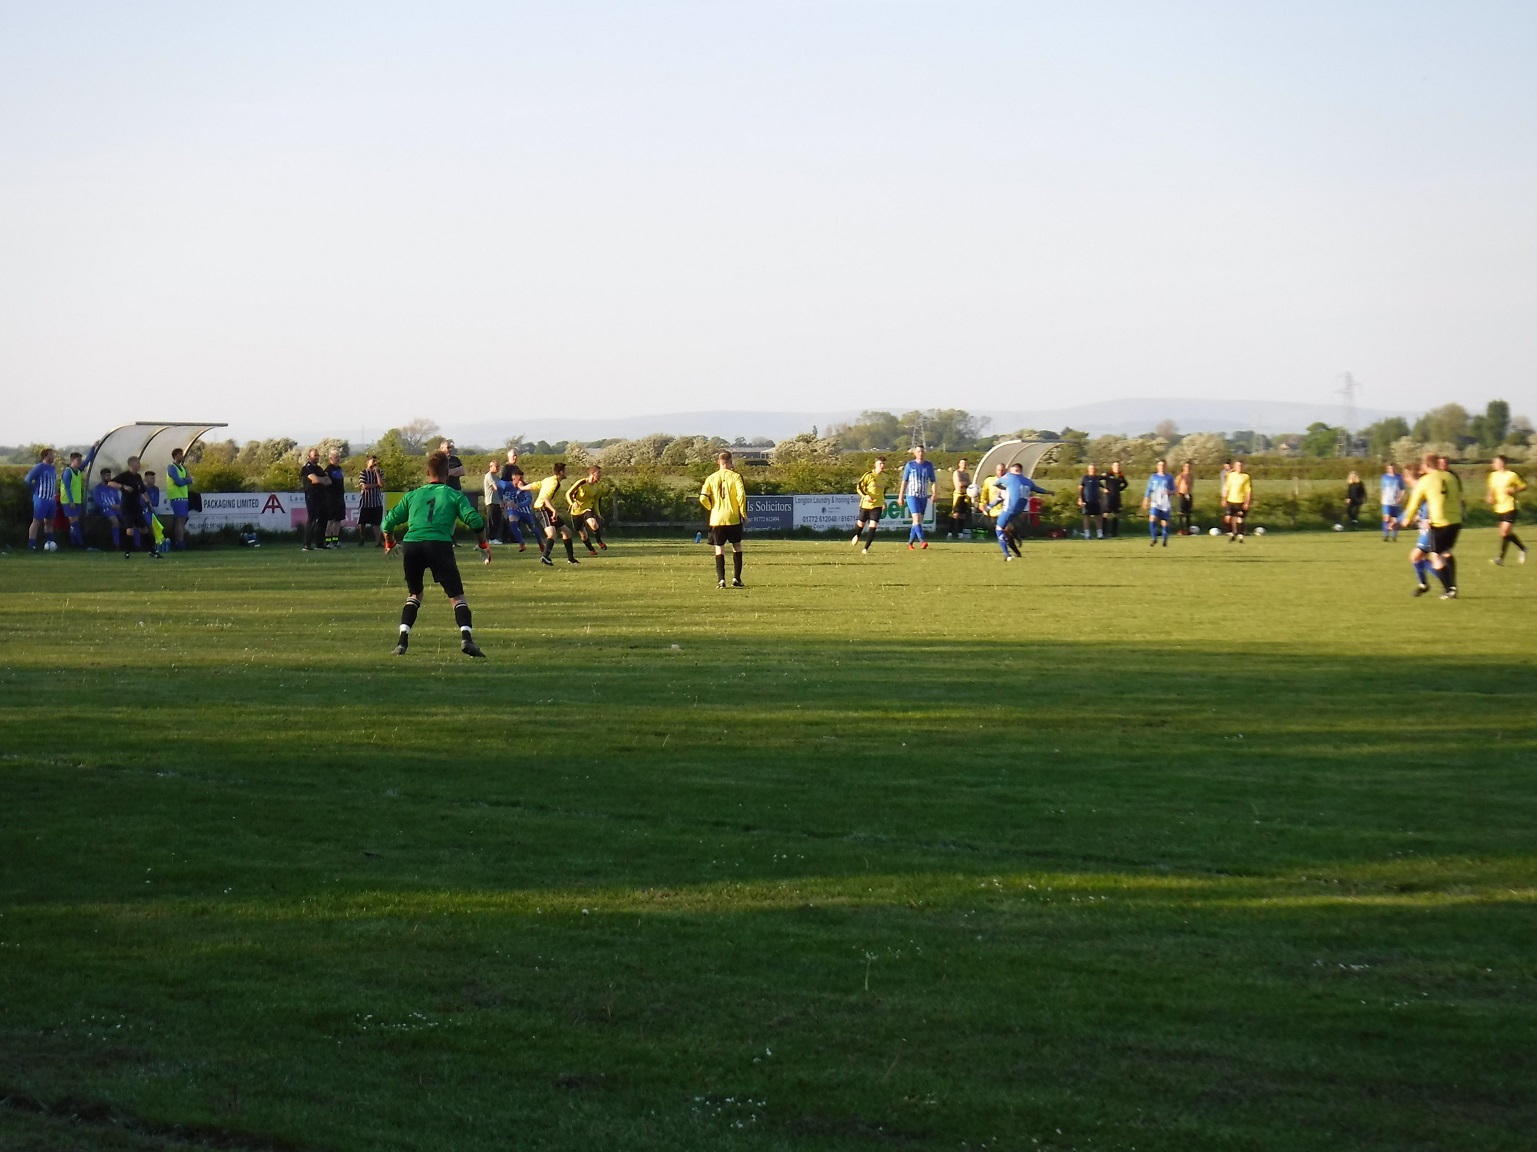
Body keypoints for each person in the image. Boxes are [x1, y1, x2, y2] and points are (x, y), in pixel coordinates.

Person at [382, 451, 490, 657]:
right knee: (457, 596)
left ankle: (402, 642)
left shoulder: (413, 495)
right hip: (439, 545)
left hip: (412, 545)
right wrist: (483, 544)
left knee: (415, 595)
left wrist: (390, 542)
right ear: (447, 473)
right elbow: (475, 521)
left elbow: (388, 523)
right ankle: (467, 639)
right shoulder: (453, 495)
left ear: (427, 472)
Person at [1400, 452, 1464, 599]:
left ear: (1427, 465)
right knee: (1445, 553)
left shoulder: (1426, 480)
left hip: (1439, 522)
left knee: (1435, 557)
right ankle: (1451, 586)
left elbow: (1414, 503)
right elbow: (1457, 498)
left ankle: (1449, 589)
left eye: (1423, 464)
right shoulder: (1451, 477)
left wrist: (1406, 519)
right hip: (1455, 520)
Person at [699, 450, 747, 587]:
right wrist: (743, 513)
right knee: (736, 546)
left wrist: (711, 508)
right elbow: (741, 496)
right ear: (731, 462)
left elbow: (702, 497)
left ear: (718, 462)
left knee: (719, 548)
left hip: (716, 519)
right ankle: (736, 578)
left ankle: (721, 580)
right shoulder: (736, 477)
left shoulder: (711, 478)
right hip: (732, 518)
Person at [531, 462, 579, 566]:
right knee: (552, 534)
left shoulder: (549, 479)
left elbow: (536, 484)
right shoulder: (554, 482)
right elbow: (545, 498)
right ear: (561, 472)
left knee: (567, 532)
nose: (567, 472)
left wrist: (522, 487)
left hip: (546, 508)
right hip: (542, 508)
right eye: (566, 470)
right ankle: (545, 556)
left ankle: (571, 559)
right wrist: (554, 511)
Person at [1486, 454, 1528, 566]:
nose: (1493, 464)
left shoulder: (1512, 475)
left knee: (1505, 532)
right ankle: (1523, 548)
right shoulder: (1492, 476)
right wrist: (1490, 497)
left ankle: (1500, 558)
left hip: (1510, 506)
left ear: (1502, 463)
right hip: (1499, 507)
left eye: (1495, 462)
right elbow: (1491, 488)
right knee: (1505, 533)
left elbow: (1523, 486)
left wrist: (1513, 490)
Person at [1400, 463, 1435, 596]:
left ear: (1409, 476)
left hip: (1430, 527)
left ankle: (1447, 583)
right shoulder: (1419, 488)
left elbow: (1433, 504)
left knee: (1416, 557)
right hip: (1426, 527)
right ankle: (1425, 584)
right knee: (1420, 558)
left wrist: (1430, 518)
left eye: (1405, 476)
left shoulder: (1422, 488)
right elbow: (1414, 509)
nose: (1404, 479)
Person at [115, 456, 155, 558]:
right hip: (127, 506)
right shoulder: (124, 476)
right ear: (132, 464)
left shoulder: (138, 477)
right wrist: (123, 486)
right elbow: (111, 483)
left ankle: (152, 551)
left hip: (136, 506)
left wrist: (148, 502)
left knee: (144, 528)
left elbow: (143, 491)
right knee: (130, 529)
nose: (139, 465)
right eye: (137, 463)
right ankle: (127, 552)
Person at [898, 445, 936, 550]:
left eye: (922, 451)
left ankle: (910, 543)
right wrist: (901, 496)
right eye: (919, 451)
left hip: (923, 496)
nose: (921, 453)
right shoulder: (910, 465)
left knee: (917, 521)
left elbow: (933, 481)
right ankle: (922, 541)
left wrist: (934, 494)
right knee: (916, 518)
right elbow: (904, 482)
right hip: (912, 495)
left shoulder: (928, 466)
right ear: (915, 453)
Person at [565, 464, 608, 554]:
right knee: (583, 535)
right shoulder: (581, 483)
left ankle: (599, 541)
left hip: (587, 509)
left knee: (593, 523)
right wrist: (572, 503)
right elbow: (568, 494)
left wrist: (598, 514)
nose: (600, 475)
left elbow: (596, 501)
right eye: (599, 473)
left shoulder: (598, 487)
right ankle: (591, 550)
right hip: (576, 512)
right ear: (593, 473)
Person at [853, 456, 892, 553]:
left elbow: (884, 491)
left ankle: (865, 548)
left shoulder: (886, 477)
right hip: (866, 504)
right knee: (861, 524)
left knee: (873, 525)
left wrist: (883, 501)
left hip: (877, 505)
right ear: (875, 465)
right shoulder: (868, 475)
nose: (882, 466)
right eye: (880, 464)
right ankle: (857, 535)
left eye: (883, 464)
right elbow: (859, 487)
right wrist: (866, 496)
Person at [24, 448, 58, 553]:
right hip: (41, 499)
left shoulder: (52, 468)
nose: (53, 457)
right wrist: (35, 490)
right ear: (45, 456)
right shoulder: (39, 467)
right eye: (51, 455)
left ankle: (49, 542)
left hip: (51, 499)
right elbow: (27, 479)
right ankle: (32, 545)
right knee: (36, 522)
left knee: (49, 522)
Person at [301, 447, 331, 551]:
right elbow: (315, 480)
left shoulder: (319, 469)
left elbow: (329, 481)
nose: (317, 457)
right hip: (312, 496)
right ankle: (307, 544)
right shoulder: (306, 468)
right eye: (315, 455)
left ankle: (320, 543)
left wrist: (320, 480)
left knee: (323, 519)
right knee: (312, 519)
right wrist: (321, 479)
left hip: (322, 496)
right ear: (309, 456)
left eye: (318, 455)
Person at [1142, 459, 1177, 547]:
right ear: (1157, 466)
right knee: (1152, 518)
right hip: (1155, 502)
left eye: (1163, 465)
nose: (1162, 467)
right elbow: (1149, 489)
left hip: (1165, 503)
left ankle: (1165, 539)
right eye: (1160, 465)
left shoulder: (1169, 477)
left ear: (1166, 466)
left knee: (1165, 522)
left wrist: (1169, 492)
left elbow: (1174, 490)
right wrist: (1146, 499)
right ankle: (1154, 538)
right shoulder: (1153, 477)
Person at [502, 466, 537, 549]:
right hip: (514, 511)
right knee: (513, 523)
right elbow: (506, 497)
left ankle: (540, 542)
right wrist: (506, 502)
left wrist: (519, 505)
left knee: (532, 528)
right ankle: (521, 543)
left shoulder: (525, 487)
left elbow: (529, 500)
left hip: (525, 511)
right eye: (519, 478)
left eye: (521, 478)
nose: (520, 480)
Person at [165, 448, 192, 551]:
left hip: (184, 496)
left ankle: (179, 541)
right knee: (180, 520)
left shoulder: (182, 468)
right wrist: (185, 480)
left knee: (183, 519)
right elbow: (178, 482)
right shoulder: (171, 467)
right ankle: (179, 542)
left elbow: (190, 479)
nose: (182, 456)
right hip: (176, 496)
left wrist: (184, 480)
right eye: (180, 454)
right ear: (175, 455)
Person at [357, 454, 386, 547]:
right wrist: (376, 485)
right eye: (373, 461)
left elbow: (382, 484)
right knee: (362, 523)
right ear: (368, 462)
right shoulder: (363, 473)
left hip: (376, 501)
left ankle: (378, 542)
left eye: (375, 461)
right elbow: (364, 486)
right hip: (365, 502)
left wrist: (377, 473)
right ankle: (362, 539)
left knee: (376, 523)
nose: (374, 463)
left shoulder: (380, 472)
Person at [59, 451, 87, 548]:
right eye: (78, 460)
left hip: (77, 500)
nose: (80, 462)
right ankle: (79, 543)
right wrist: (71, 501)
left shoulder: (78, 471)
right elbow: (67, 487)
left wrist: (93, 448)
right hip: (68, 501)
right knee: (74, 522)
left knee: (75, 522)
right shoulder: (68, 471)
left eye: (80, 460)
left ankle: (74, 543)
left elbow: (87, 461)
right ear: (72, 460)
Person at [92, 468, 124, 550]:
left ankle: (133, 545)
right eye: (107, 476)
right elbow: (97, 502)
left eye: (110, 475)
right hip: (105, 509)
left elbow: (117, 499)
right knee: (115, 521)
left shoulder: (113, 488)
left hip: (115, 509)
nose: (109, 477)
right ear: (102, 476)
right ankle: (117, 545)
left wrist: (119, 505)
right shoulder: (97, 488)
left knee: (129, 519)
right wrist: (110, 506)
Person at [1222, 459, 1252, 542]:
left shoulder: (1246, 476)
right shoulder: (1231, 476)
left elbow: (1248, 491)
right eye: (1238, 466)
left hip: (1240, 500)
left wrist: (1247, 502)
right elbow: (1227, 488)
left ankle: (1240, 536)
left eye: (1241, 466)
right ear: (1235, 467)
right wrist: (1224, 499)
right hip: (1230, 500)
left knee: (1240, 519)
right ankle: (1231, 533)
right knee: (1228, 518)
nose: (1240, 467)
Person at [1379, 462, 1405, 542]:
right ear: (1387, 469)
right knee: (1386, 517)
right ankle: (1385, 535)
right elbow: (1382, 489)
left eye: (1393, 468)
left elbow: (1402, 489)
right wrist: (1382, 498)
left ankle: (1394, 536)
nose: (1392, 470)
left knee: (1394, 519)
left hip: (1396, 501)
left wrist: (1400, 498)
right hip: (1386, 501)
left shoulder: (1399, 477)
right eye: (1390, 468)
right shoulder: (1384, 477)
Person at [1078, 463, 1104, 539]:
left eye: (1094, 469)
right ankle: (1087, 534)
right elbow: (1080, 488)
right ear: (1088, 469)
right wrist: (1080, 498)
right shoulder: (1085, 478)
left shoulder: (1097, 478)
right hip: (1087, 500)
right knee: (1087, 517)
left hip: (1096, 500)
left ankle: (1100, 534)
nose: (1092, 470)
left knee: (1099, 517)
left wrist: (1104, 491)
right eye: (1091, 469)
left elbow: (1102, 487)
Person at [1102, 461, 1129, 537]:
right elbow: (1098, 479)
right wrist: (1103, 488)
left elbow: (1126, 484)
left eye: (1118, 466)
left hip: (1116, 497)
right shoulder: (1108, 474)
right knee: (1106, 514)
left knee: (1116, 515)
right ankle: (1104, 532)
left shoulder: (1120, 475)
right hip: (1108, 497)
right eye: (1115, 466)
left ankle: (1114, 533)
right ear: (1112, 467)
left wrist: (1120, 489)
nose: (1117, 467)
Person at [481, 458, 504, 545]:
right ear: (491, 466)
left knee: (497, 520)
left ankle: (494, 537)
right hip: (491, 501)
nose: (498, 468)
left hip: (497, 501)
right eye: (496, 466)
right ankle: (491, 538)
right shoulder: (489, 475)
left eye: (499, 466)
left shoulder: (497, 477)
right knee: (492, 521)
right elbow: (496, 488)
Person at [948, 458, 972, 540]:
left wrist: (966, 484)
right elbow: (959, 484)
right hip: (958, 495)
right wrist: (965, 483)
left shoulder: (967, 474)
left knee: (963, 515)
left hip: (965, 495)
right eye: (962, 463)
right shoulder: (957, 472)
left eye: (965, 463)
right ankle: (950, 532)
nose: (964, 465)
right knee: (956, 513)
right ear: (959, 464)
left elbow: (970, 484)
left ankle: (960, 532)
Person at [1175, 461, 1195, 534]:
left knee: (1188, 513)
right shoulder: (1180, 476)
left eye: (1189, 467)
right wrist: (1178, 494)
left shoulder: (1191, 476)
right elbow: (1176, 485)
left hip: (1189, 495)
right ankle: (1180, 529)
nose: (1188, 468)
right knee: (1181, 513)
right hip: (1181, 495)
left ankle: (1188, 529)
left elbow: (1191, 485)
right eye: (1186, 467)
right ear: (1183, 467)